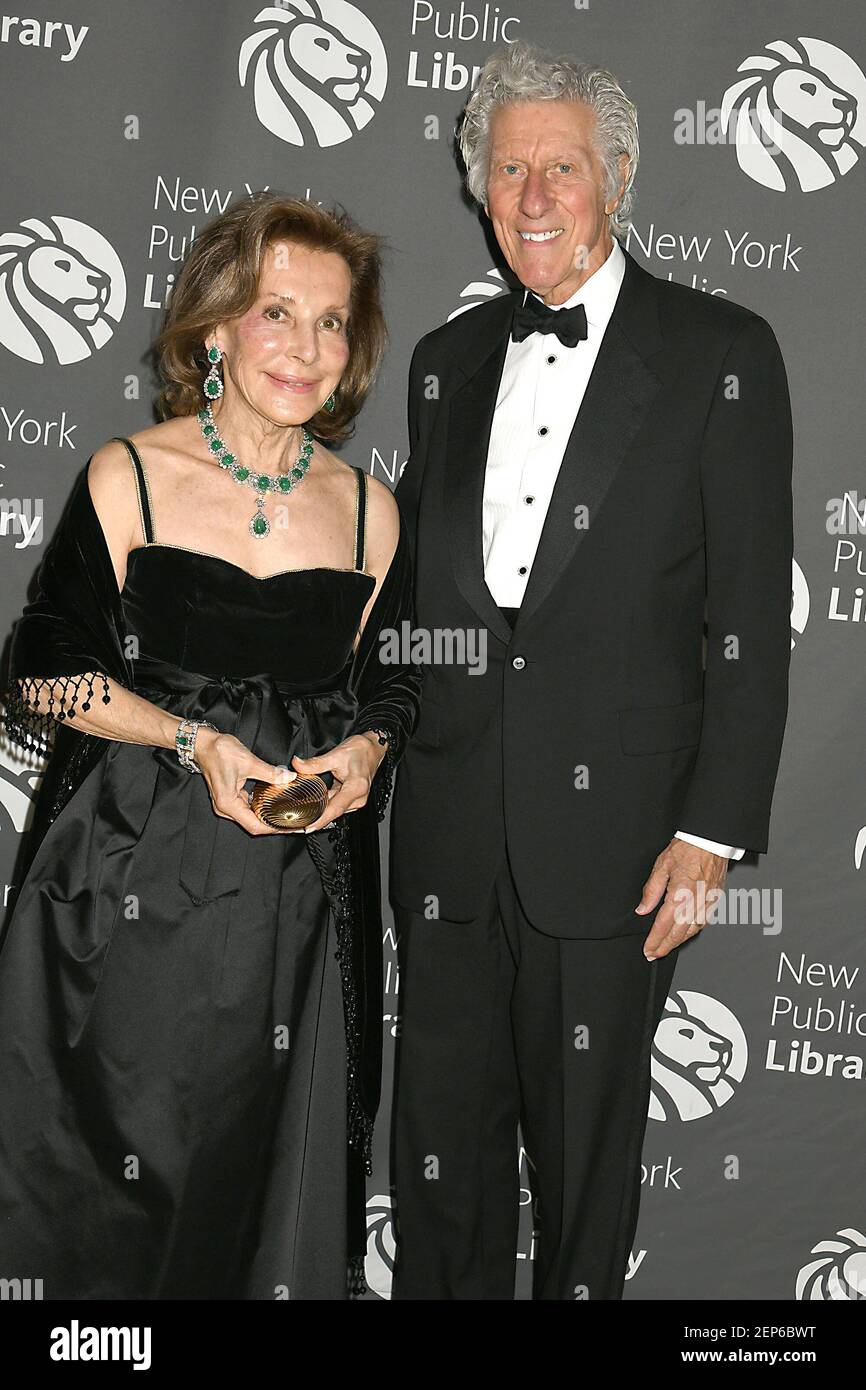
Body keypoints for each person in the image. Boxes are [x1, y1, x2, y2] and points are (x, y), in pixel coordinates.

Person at [390, 42, 793, 1299]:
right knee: (438, 1168)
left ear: (614, 178)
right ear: (478, 190)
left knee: (581, 1179)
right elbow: (421, 608)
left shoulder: (720, 351)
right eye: (506, 169)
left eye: (559, 166)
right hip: (448, 837)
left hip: (615, 847)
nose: (532, 197)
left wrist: (710, 831)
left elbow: (743, 615)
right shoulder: (444, 366)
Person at [0, 192, 420, 1300]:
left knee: (262, 1179)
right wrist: (190, 737)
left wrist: (367, 755)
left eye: (332, 322)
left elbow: (398, 683)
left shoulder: (373, 511)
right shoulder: (129, 475)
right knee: (100, 1172)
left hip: (298, 903)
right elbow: (42, 670)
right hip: (127, 883)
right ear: (214, 332)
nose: (306, 347)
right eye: (276, 313)